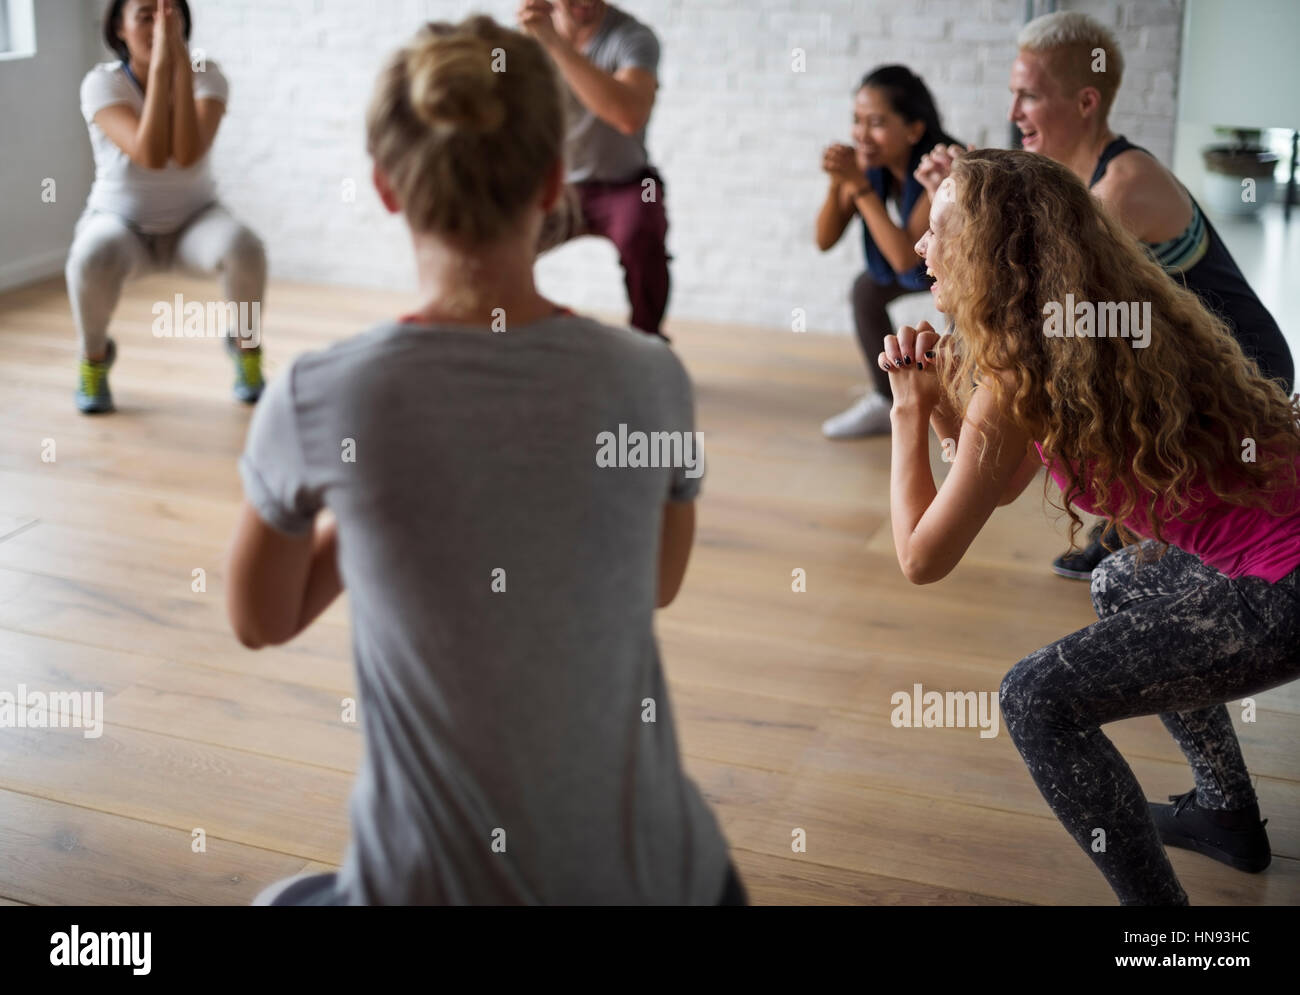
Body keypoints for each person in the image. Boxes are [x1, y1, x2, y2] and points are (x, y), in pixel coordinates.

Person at [228, 15, 743, 906]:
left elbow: (260, 618)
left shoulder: (321, 396)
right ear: (555, 182)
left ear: (387, 188)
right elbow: (658, 579)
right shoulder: (653, 379)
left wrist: (382, 498)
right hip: (682, 884)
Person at [883, 149, 1300, 904]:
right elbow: (1002, 480)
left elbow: (920, 555)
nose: (919, 246)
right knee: (1116, 578)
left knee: (1034, 698)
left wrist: (908, 414)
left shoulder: (1018, 370)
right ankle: (1227, 810)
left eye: (938, 228)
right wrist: (943, 403)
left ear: (985, 249)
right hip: (1283, 557)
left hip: (1284, 587)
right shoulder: (1085, 322)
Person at [916, 11, 1294, 576]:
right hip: (1161, 355)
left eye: (1029, 96)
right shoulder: (1065, 183)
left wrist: (968, 224)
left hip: (1235, 372)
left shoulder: (1122, 184)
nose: (1013, 112)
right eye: (1013, 94)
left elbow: (1027, 297)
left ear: (1087, 102)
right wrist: (956, 207)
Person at [68, 0, 266, 414]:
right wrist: (161, 69)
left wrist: (177, 69)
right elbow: (151, 154)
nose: (160, 27)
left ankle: (247, 351)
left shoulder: (207, 75)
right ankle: (94, 358)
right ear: (119, 28)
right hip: (123, 227)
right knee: (88, 256)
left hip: (194, 225)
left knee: (245, 248)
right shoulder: (101, 84)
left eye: (169, 15)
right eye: (145, 16)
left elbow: (187, 153)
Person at [817, 65, 962, 439]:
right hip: (924, 265)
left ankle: (972, 407)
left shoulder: (940, 168)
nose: (862, 134)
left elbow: (904, 258)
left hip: (964, 273)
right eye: (856, 120)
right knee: (866, 290)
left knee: (964, 310)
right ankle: (885, 401)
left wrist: (858, 186)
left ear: (913, 129)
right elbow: (824, 239)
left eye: (876, 122)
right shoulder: (871, 166)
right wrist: (839, 184)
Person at [517, 0, 670, 338]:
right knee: (500, 237)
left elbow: (627, 116)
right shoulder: (524, 42)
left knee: (643, 231)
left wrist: (553, 43)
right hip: (555, 184)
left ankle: (648, 342)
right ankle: (505, 334)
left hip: (626, 182)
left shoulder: (634, 37)